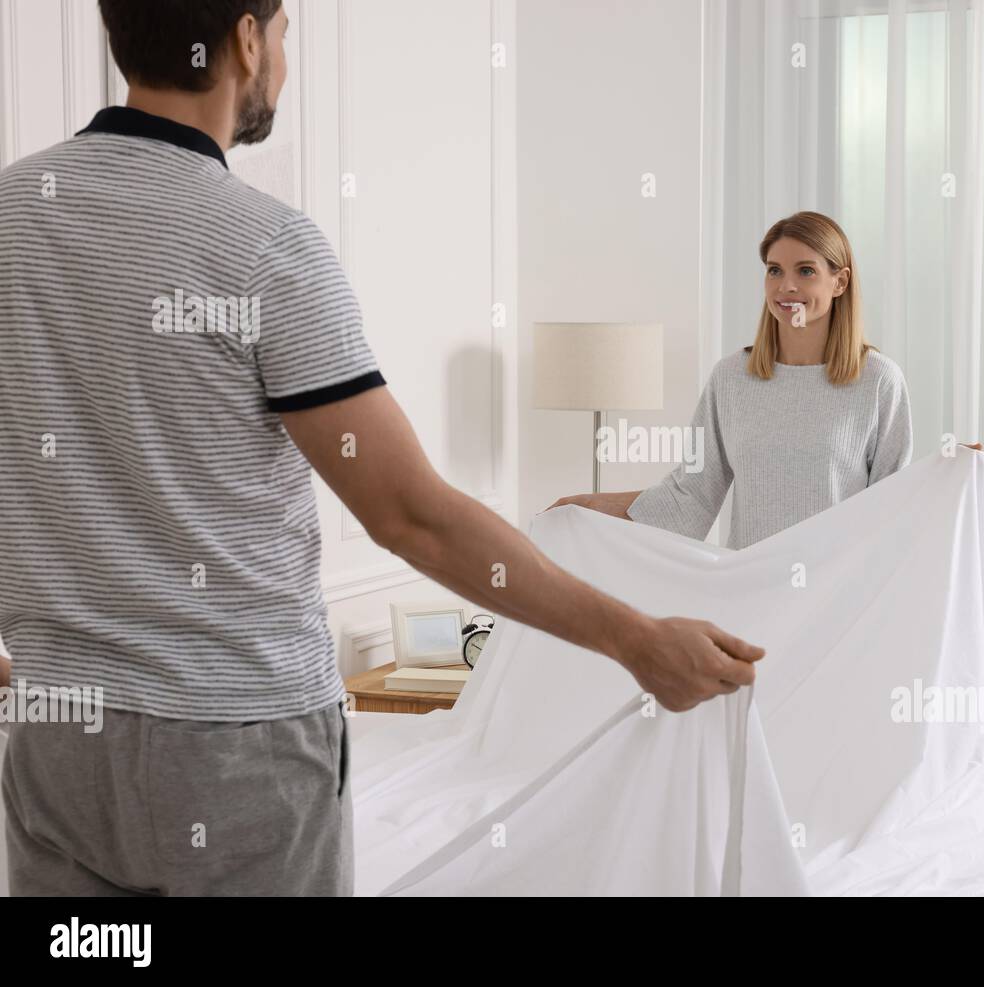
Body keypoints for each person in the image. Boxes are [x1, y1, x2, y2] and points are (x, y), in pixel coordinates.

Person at [0, 0, 762, 897]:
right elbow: (409, 516)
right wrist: (638, 640)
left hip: (56, 737)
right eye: (283, 34)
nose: (283, 57)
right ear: (246, 40)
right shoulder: (265, 246)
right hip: (238, 749)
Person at [551, 211, 977, 547]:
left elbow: (890, 505)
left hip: (838, 597)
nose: (786, 286)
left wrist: (949, 473)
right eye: (774, 270)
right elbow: (691, 496)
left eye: (805, 271)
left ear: (840, 281)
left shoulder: (879, 382)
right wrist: (589, 507)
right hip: (749, 592)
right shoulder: (731, 379)